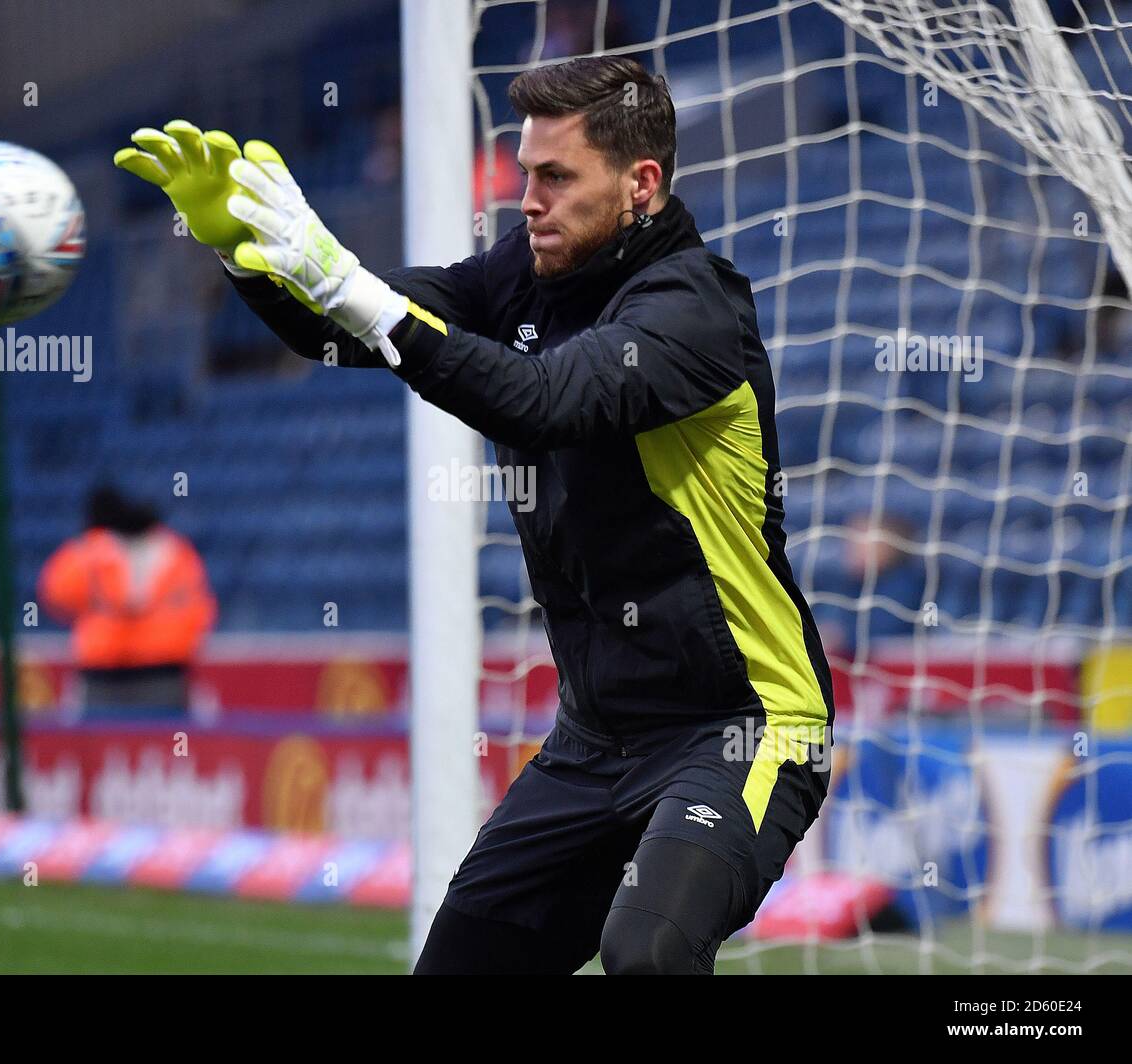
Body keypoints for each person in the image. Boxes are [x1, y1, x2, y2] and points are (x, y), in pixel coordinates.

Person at [113, 55, 834, 974]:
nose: (526, 198)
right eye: (525, 171)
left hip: (742, 722)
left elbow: (540, 400)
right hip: (594, 739)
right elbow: (345, 332)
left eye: (556, 177)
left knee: (647, 954)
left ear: (640, 184)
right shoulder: (519, 277)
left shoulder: (694, 311)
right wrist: (240, 251)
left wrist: (353, 287)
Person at [37, 485, 216, 718]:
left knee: (105, 745)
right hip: (155, 675)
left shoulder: (90, 551)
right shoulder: (178, 551)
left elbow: (56, 593)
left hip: (119, 675)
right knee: (160, 744)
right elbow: (201, 612)